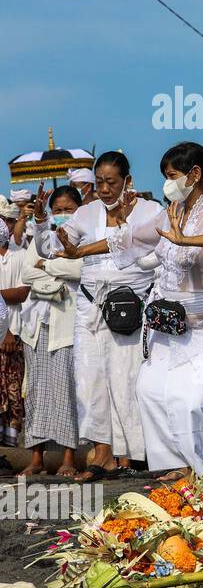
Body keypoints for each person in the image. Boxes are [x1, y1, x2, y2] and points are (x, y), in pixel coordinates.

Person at [132, 142, 203, 479]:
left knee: (192, 401)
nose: (168, 184)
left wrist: (186, 241)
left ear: (194, 175)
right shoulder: (172, 210)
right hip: (172, 327)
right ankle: (177, 463)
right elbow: (131, 238)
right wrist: (78, 249)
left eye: (172, 176)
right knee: (149, 389)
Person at [52, 151, 167, 479]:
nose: (103, 188)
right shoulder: (86, 212)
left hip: (129, 308)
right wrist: (58, 234)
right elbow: (62, 244)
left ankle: (131, 455)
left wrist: (125, 235)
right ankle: (101, 454)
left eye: (111, 182)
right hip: (90, 306)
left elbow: (158, 253)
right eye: (99, 181)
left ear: (127, 180)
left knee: (126, 379)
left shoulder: (149, 210)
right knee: (89, 381)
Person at [18, 185, 84, 478]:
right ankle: (36, 459)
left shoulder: (85, 238)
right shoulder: (43, 237)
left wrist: (48, 265)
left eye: (68, 209)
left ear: (79, 211)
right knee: (36, 391)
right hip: (36, 324)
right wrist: (56, 264)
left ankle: (69, 457)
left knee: (65, 389)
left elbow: (81, 270)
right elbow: (27, 272)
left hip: (66, 324)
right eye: (57, 210)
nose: (62, 214)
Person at [0, 198, 28, 449]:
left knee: (13, 390)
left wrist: (9, 331)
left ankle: (10, 447)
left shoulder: (20, 255)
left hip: (13, 330)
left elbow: (22, 294)